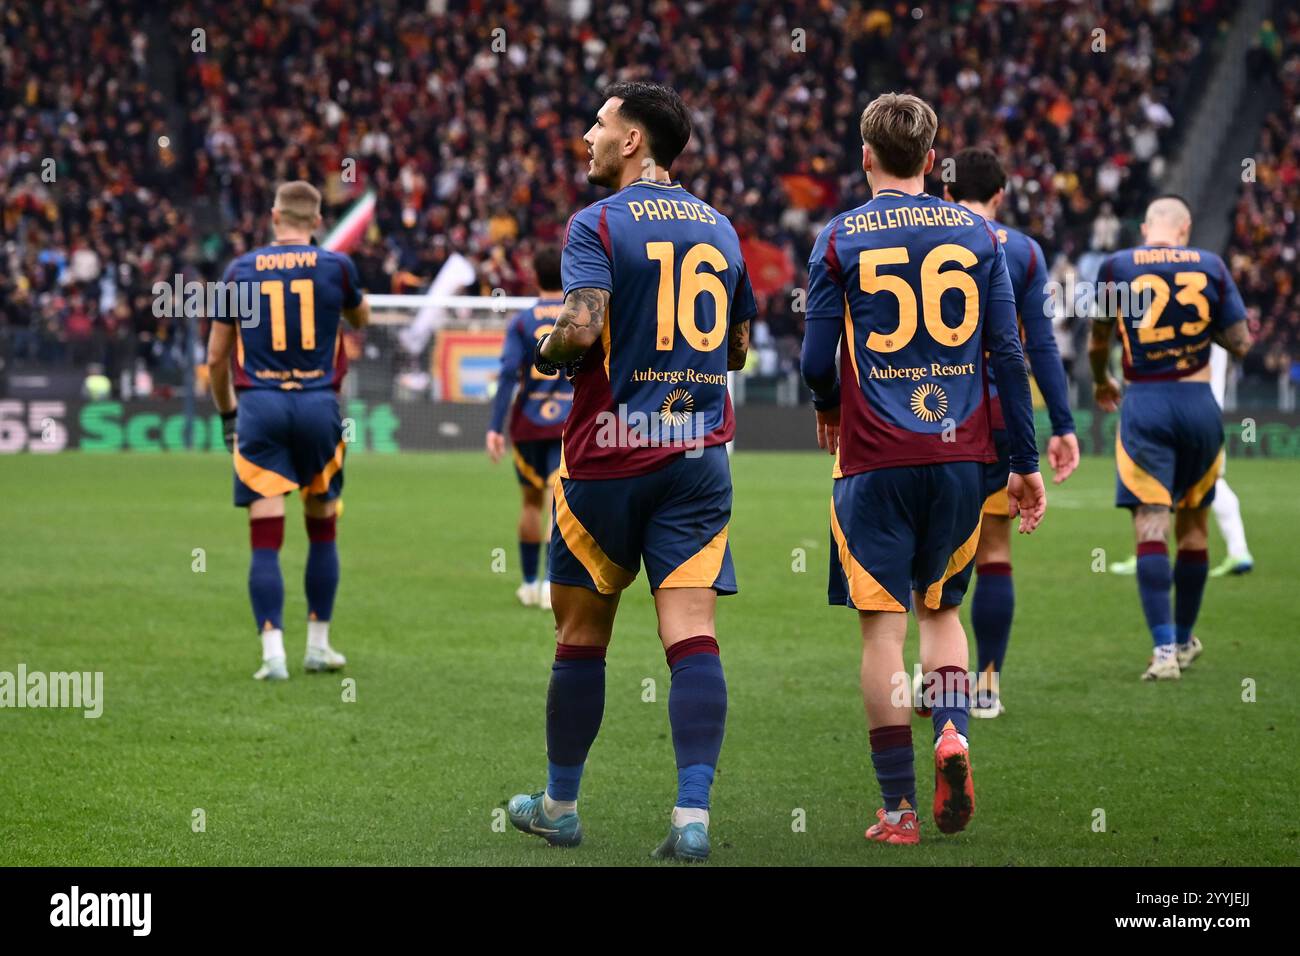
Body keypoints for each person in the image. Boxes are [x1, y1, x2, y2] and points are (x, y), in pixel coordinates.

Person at [504, 82, 756, 861]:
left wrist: (547, 354)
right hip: (697, 456)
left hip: (607, 459)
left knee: (581, 639)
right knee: (693, 636)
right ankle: (691, 816)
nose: (587, 135)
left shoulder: (595, 223)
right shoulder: (720, 228)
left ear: (634, 141)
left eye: (600, 124)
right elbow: (739, 347)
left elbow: (579, 328)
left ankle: (560, 805)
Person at [801, 93, 1046, 845]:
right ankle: (953, 734)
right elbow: (1007, 353)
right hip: (962, 457)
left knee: (883, 632)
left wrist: (829, 406)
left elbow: (816, 359)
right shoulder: (978, 235)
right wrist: (1026, 461)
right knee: (942, 611)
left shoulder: (838, 238)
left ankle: (900, 810)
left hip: (874, 458)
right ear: (933, 162)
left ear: (866, 156)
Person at [206, 181, 370, 681]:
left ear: (275, 216)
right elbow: (361, 320)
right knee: (322, 526)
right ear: (317, 222)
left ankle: (273, 653)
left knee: (264, 538)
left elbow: (215, 358)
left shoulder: (239, 270)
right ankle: (318, 645)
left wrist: (228, 417)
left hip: (259, 407)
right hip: (320, 406)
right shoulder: (337, 267)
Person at [1089, 196, 1251, 680]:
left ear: (1146, 228)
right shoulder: (1210, 264)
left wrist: (1101, 380)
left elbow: (1099, 340)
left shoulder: (1118, 266)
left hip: (1146, 403)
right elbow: (1241, 343)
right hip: (1199, 405)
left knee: (1151, 524)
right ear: (1185, 229)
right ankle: (1183, 640)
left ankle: (1162, 652)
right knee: (1195, 527)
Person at [943, 147, 1080, 718]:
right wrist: (1062, 425)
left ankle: (936, 678)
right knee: (995, 549)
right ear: (999, 195)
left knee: (936, 550)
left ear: (947, 192)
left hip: (931, 413)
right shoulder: (1021, 250)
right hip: (998, 418)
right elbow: (1038, 345)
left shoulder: (923, 235)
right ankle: (988, 683)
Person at [485, 246, 573, 609]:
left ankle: (528, 583)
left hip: (528, 424)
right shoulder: (578, 317)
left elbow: (507, 374)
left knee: (531, 503)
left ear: (535, 277)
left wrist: (494, 427)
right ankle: (554, 585)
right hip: (569, 424)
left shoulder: (522, 322)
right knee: (561, 506)